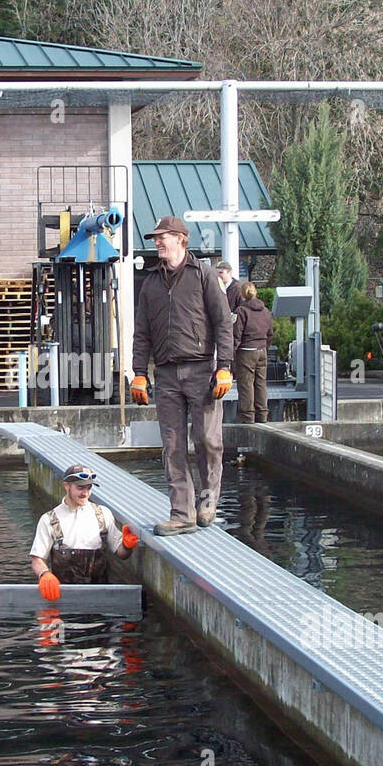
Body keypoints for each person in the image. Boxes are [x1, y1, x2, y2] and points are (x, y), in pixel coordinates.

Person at [131, 216, 234, 536]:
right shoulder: (149, 283)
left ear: (181, 239)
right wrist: (138, 373)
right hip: (166, 375)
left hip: (202, 370)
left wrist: (225, 366)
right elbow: (142, 333)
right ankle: (181, 513)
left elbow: (223, 323)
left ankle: (208, 498)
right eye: (155, 238)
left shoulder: (203, 274)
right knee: (172, 445)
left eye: (163, 237)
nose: (157, 242)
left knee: (206, 439)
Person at [30, 463, 138, 601]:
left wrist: (127, 546)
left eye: (89, 488)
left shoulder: (103, 514)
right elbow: (36, 559)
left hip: (100, 599)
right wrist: (44, 574)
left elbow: (121, 554)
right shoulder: (49, 519)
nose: (85, 493)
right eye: (80, 488)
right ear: (66, 486)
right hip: (63, 599)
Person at [233, 282, 274, 423]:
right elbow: (270, 334)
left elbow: (236, 335)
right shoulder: (265, 311)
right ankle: (262, 414)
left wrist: (231, 353)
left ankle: (247, 416)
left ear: (242, 294)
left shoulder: (241, 311)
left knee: (246, 384)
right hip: (262, 350)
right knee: (261, 383)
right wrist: (264, 346)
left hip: (246, 351)